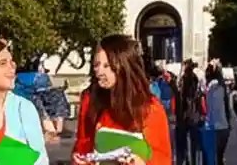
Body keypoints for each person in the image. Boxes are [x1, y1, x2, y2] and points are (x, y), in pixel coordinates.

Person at [73, 34, 172, 165]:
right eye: (96, 64)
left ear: (123, 67)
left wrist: (141, 162)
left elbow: (163, 158)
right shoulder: (91, 100)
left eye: (106, 66)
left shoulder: (150, 108)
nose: (99, 71)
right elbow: (83, 145)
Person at [203, 63, 233, 165]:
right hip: (222, 126)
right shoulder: (222, 87)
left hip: (211, 126)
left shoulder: (208, 87)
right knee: (219, 157)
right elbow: (227, 106)